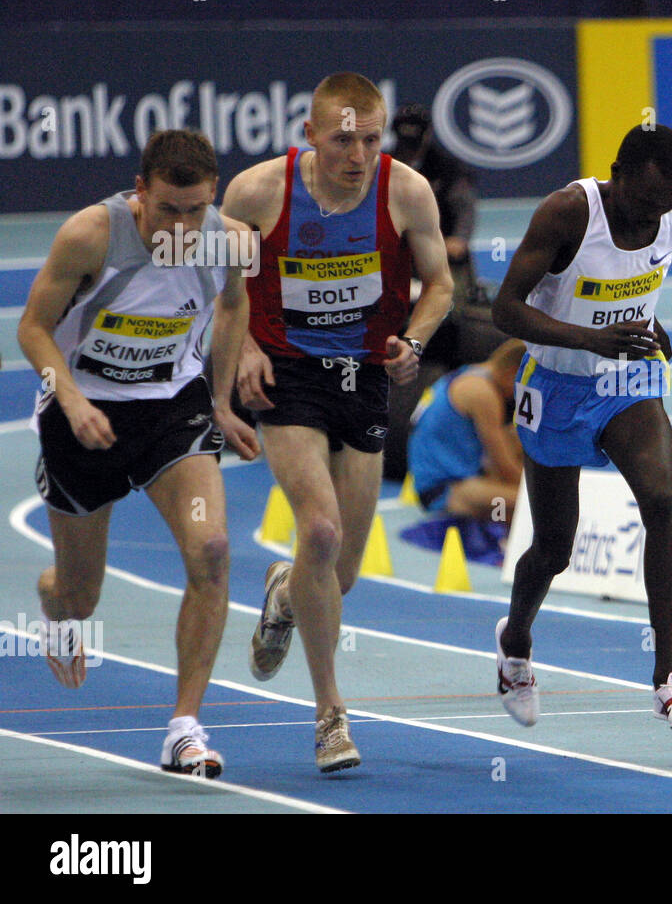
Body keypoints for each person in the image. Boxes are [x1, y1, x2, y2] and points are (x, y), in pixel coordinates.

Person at [221, 72, 454, 772]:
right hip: (288, 374)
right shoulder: (256, 193)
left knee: (339, 572)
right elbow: (218, 288)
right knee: (318, 528)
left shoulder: (406, 191)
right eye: (342, 139)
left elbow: (439, 283)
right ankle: (330, 716)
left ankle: (284, 589)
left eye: (370, 138)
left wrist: (412, 341)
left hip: (366, 376)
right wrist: (249, 352)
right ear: (310, 136)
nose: (357, 153)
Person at [16, 129, 260, 777]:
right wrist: (68, 399)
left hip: (170, 409)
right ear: (141, 192)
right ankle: (54, 601)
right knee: (80, 595)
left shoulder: (229, 239)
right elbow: (32, 329)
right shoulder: (89, 234)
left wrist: (222, 400)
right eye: (169, 210)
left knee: (211, 548)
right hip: (82, 414)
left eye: (197, 211)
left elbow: (235, 303)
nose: (183, 226)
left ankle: (183, 728)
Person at [491, 124, 672, 731]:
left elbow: (639, 280)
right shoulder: (567, 213)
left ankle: (667, 678)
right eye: (640, 206)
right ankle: (516, 642)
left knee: (662, 501)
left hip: (626, 381)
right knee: (555, 548)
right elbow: (506, 309)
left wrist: (646, 321)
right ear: (614, 175)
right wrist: (593, 337)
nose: (649, 221)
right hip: (557, 385)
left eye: (660, 209)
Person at [384, 104, 505, 481]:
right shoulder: (384, 167)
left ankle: (450, 352)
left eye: (414, 144)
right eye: (402, 143)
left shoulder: (450, 171)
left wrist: (459, 241)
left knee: (458, 310)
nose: (408, 150)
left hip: (445, 259)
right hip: (400, 258)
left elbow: (465, 210)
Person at [408, 337, 526, 522]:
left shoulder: (469, 373)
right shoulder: (482, 393)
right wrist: (536, 492)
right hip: (448, 491)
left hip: (451, 482)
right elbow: (503, 464)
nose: (518, 396)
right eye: (523, 387)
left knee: (515, 436)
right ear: (513, 373)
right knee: (538, 506)